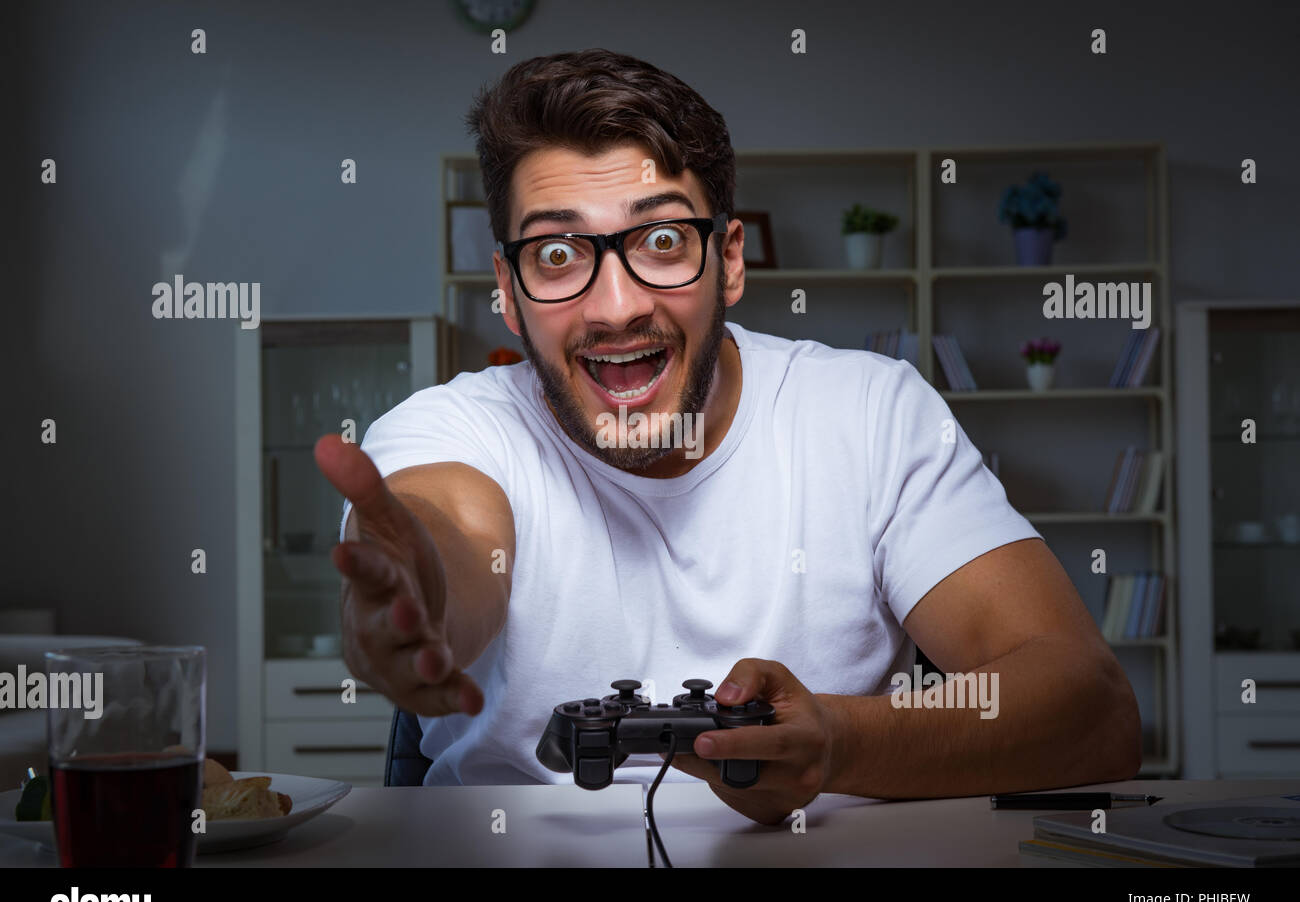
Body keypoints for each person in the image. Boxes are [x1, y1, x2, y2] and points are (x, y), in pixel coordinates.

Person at [314, 48, 1141, 825]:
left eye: (662, 241)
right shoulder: (454, 426)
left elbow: (1092, 709)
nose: (615, 307)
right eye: (558, 253)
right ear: (507, 289)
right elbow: (451, 536)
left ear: (730, 260)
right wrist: (423, 588)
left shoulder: (869, 412)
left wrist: (839, 742)